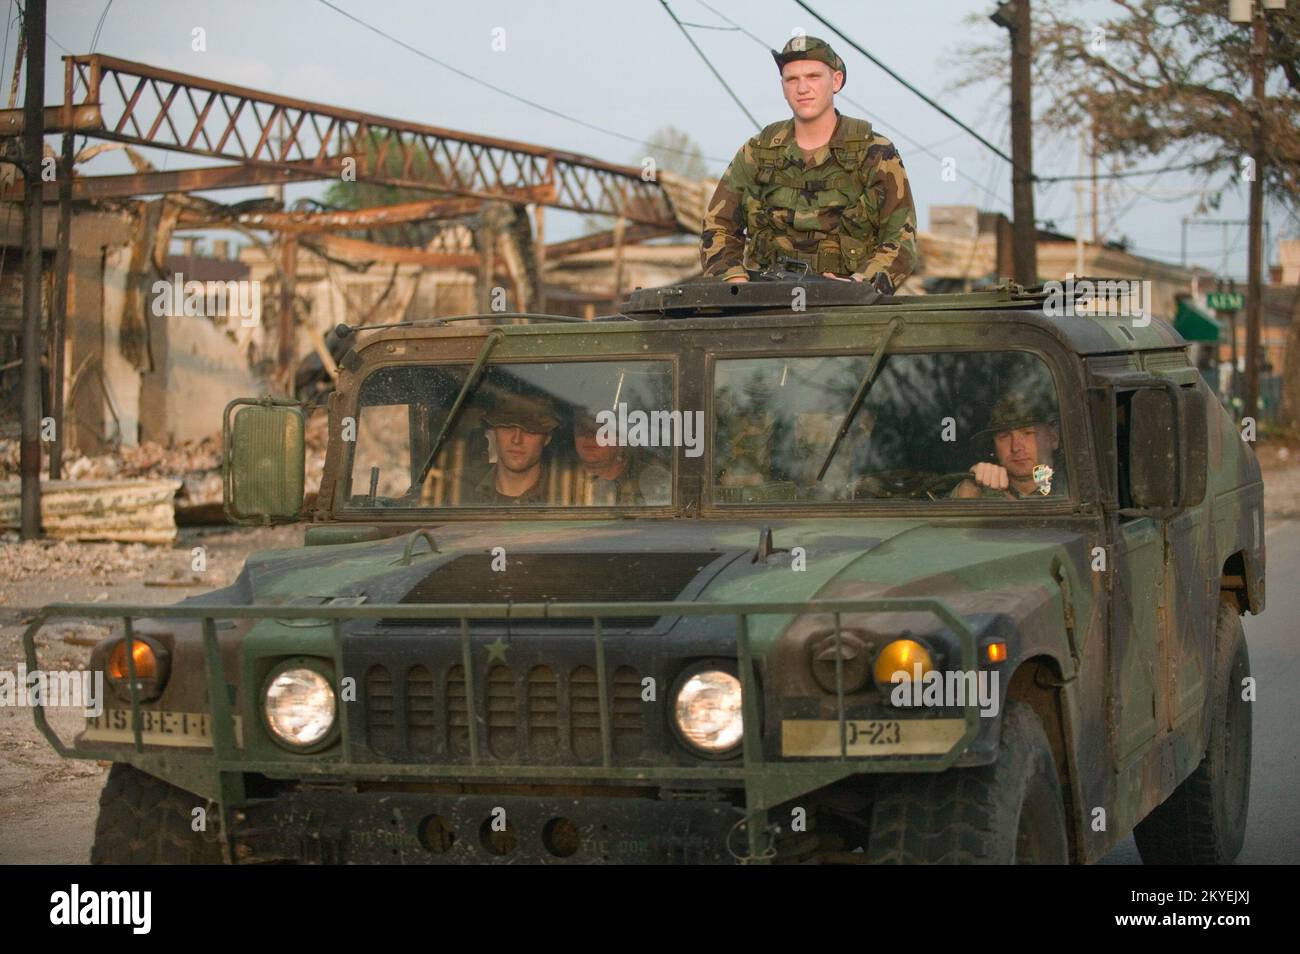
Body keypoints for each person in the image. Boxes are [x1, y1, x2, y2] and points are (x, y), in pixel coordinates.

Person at [699, 35, 918, 295]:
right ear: (783, 86)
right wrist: (735, 283)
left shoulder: (874, 152)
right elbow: (719, 227)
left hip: (849, 307)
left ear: (836, 81)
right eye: (792, 79)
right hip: (766, 303)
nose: (802, 88)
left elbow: (900, 239)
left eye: (813, 76)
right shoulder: (757, 152)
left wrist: (861, 285)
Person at [952, 392, 1064, 500]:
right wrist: (969, 489)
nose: (1016, 447)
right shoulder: (979, 491)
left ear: (1053, 439)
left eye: (1028, 433)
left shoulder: (1075, 486)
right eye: (1004, 436)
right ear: (993, 447)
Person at [468, 393, 560, 505]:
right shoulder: (458, 488)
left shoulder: (566, 496)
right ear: (495, 430)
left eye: (530, 429)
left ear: (547, 437)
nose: (516, 440)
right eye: (508, 427)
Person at [572, 408, 671, 505]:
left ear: (621, 437)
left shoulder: (652, 479)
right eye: (582, 428)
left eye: (601, 428)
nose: (589, 436)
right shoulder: (567, 477)